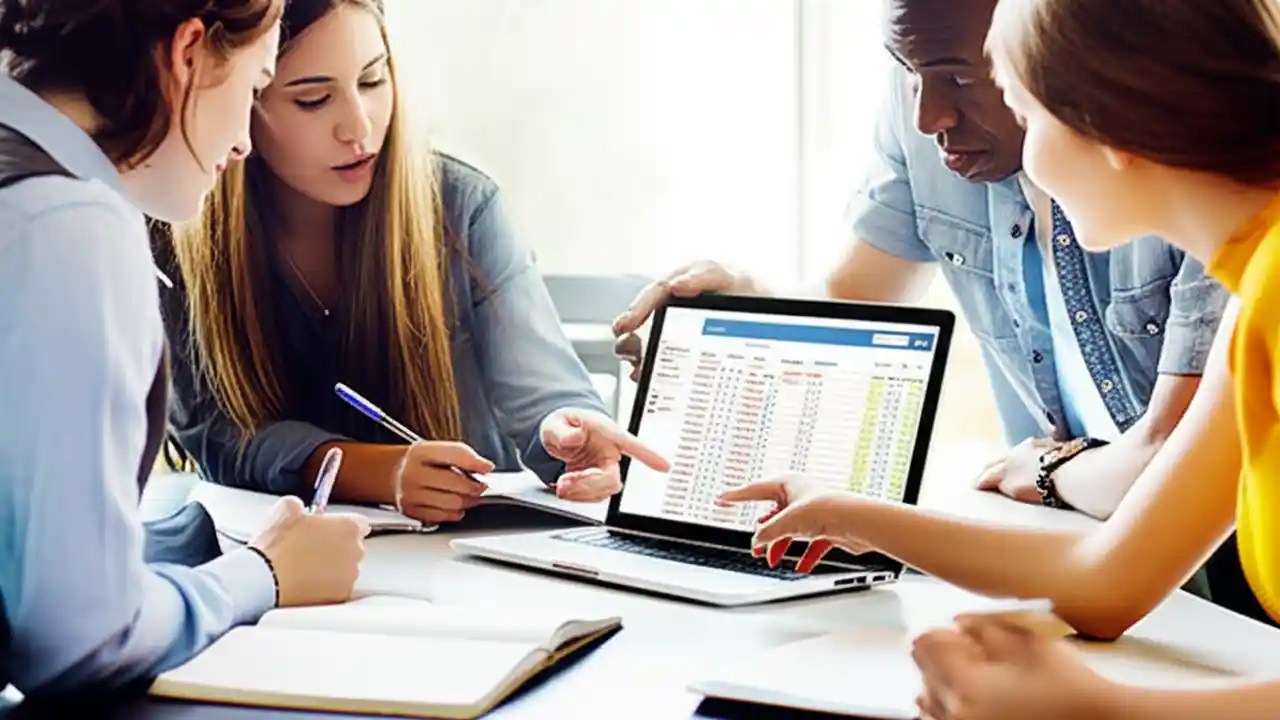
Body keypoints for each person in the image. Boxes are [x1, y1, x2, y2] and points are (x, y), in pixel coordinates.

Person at [725, 0, 1280, 716]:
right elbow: (1107, 584)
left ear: (1108, 123)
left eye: (1028, 111)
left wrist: (1103, 710)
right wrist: (854, 516)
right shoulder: (1251, 306)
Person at [613, 0, 1229, 522]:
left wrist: (1047, 470)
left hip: (1201, 540)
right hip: (1072, 520)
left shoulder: (1212, 194)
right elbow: (858, 299)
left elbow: (1169, 471)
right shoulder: (927, 99)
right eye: (908, 72)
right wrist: (743, 309)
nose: (927, 116)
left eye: (961, 79)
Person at [157, 0, 669, 528]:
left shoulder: (463, 209)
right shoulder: (178, 226)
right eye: (313, 100)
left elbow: (546, 400)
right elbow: (212, 431)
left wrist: (572, 439)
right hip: (264, 565)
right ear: (243, 96)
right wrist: (376, 471)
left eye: (374, 81)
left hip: (463, 561)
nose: (358, 128)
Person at [0, 0, 369, 696]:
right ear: (189, 52)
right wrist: (265, 572)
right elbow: (80, 637)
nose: (244, 145)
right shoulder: (65, 225)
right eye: (256, 88)